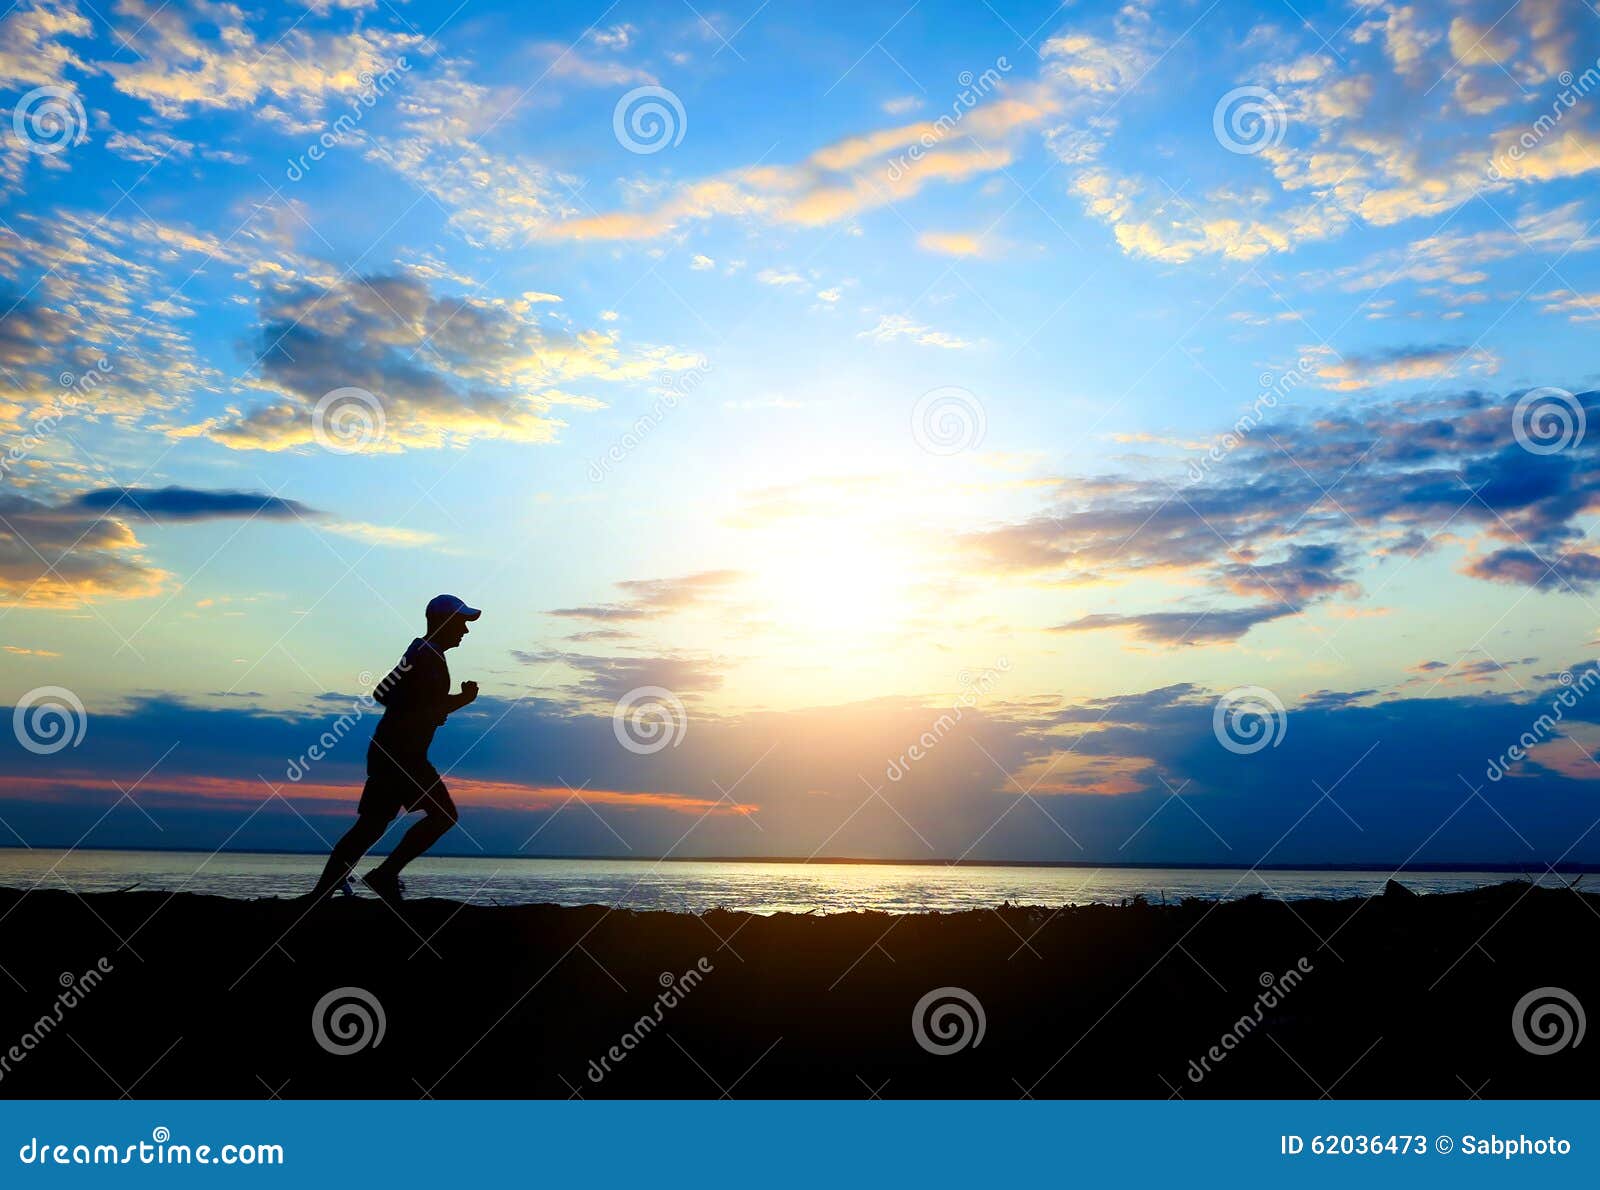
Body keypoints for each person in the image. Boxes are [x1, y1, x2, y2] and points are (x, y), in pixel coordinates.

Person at [307, 594, 481, 904]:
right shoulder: (424, 655)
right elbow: (392, 696)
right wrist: (453, 702)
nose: (465, 631)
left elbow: (406, 700)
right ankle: (382, 875)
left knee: (371, 826)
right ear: (443, 622)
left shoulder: (425, 653)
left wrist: (444, 705)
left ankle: (323, 894)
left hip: (396, 752)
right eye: (461, 623)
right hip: (401, 755)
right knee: (441, 815)